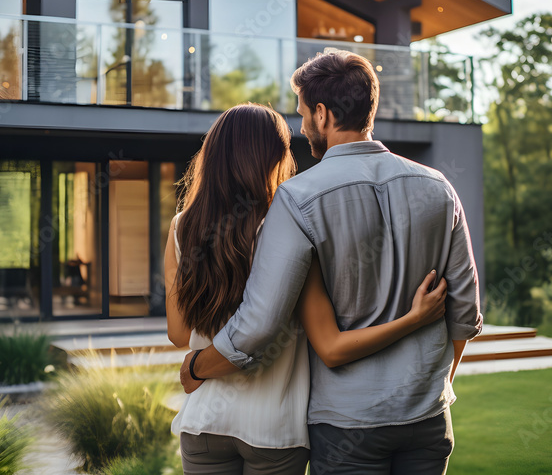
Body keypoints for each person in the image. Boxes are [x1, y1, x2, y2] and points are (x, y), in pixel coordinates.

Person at [180, 50, 483, 474]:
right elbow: (465, 314)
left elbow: (259, 324)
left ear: (322, 114)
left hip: (346, 425)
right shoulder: (439, 188)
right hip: (428, 420)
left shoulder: (298, 198)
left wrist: (196, 367)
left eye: (304, 114)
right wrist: (433, 388)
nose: (302, 127)